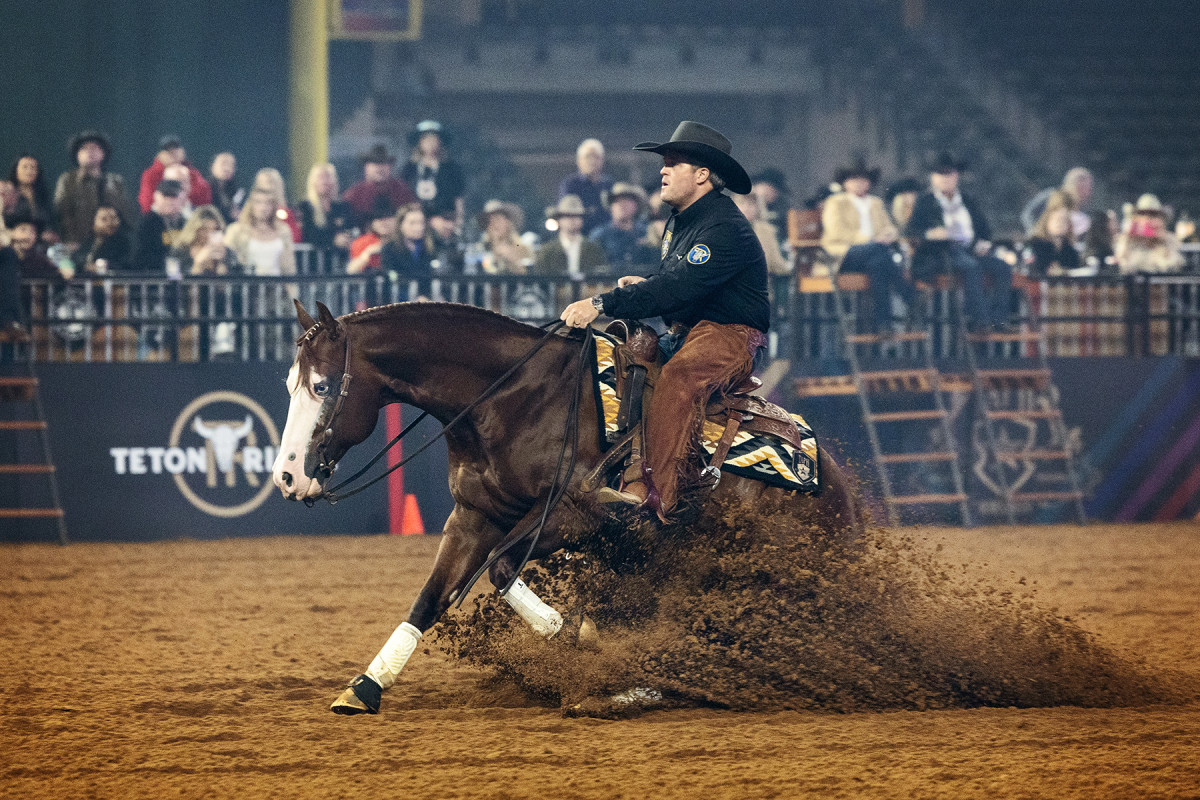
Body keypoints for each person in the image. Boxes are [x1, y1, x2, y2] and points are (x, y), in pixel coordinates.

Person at [560, 121, 769, 520]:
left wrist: (602, 302)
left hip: (730, 337)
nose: (662, 170)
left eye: (674, 163)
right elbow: (679, 285)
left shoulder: (722, 227)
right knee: (623, 361)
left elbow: (676, 290)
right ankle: (619, 475)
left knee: (677, 379)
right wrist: (652, 285)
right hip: (689, 332)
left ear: (703, 175)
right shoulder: (681, 222)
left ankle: (656, 501)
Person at [907, 153, 1012, 331]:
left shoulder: (968, 200)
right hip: (941, 253)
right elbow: (912, 231)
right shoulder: (925, 202)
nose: (945, 178)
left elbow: (984, 230)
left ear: (956, 176)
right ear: (933, 178)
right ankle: (981, 321)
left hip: (969, 250)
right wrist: (931, 234)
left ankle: (999, 320)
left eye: (949, 174)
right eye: (940, 174)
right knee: (971, 267)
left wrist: (984, 243)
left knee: (1002, 267)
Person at [821, 161, 917, 332]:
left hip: (874, 254)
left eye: (863, 179)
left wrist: (889, 234)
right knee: (878, 250)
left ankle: (884, 324)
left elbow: (888, 226)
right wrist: (871, 239)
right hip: (844, 255)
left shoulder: (875, 203)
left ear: (869, 182)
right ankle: (909, 296)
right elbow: (837, 232)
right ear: (845, 182)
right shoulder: (836, 202)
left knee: (879, 264)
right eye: (854, 179)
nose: (859, 183)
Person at [54, 131, 138, 251]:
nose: (90, 152)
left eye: (95, 148)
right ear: (76, 154)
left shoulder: (115, 181)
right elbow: (62, 213)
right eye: (84, 148)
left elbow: (127, 215)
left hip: (112, 246)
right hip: (76, 244)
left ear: (103, 153)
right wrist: (70, 241)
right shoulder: (67, 180)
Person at [400, 120, 466, 223]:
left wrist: (458, 222)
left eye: (434, 140)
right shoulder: (409, 169)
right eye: (426, 140)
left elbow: (458, 198)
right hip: (416, 221)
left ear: (440, 142)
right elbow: (402, 196)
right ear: (419, 143)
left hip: (445, 221)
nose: (430, 144)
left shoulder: (451, 169)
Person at [224, 188, 296, 276]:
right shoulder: (236, 230)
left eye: (268, 203)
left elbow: (289, 266)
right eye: (258, 202)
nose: (263, 207)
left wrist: (292, 288)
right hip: (246, 285)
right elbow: (226, 259)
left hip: (277, 285)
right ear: (250, 205)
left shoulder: (283, 230)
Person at [533, 195, 609, 279]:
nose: (572, 219)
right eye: (567, 216)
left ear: (582, 219)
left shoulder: (594, 249)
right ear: (559, 219)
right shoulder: (547, 252)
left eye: (576, 215)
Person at [343, 143, 417, 227]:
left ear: (390, 167)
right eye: (375, 163)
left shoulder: (401, 189)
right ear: (366, 167)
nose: (379, 168)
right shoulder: (354, 194)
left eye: (383, 163)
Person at [590, 182, 656, 271]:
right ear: (611, 207)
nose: (622, 205)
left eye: (627, 200)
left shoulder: (647, 232)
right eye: (616, 201)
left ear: (636, 205)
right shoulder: (599, 236)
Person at [138, 134, 212, 213]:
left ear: (183, 151)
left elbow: (205, 200)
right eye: (168, 151)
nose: (173, 153)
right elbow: (146, 203)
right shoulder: (150, 175)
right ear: (159, 155)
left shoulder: (193, 173)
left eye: (176, 149)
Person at [1114, 194, 1183, 274]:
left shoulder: (1169, 239)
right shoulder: (1127, 239)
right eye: (1142, 213)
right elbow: (1120, 263)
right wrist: (1129, 238)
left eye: (1153, 214)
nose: (1147, 218)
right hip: (1134, 283)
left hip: (1158, 283)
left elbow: (1174, 265)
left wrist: (1163, 242)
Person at [296, 163, 354, 256]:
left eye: (328, 177)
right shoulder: (305, 207)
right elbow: (307, 233)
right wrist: (333, 240)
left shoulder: (343, 206)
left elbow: (350, 226)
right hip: (313, 262)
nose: (324, 181)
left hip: (339, 262)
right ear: (313, 181)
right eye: (320, 177)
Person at [1021, 167, 1094, 239]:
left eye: (1089, 187)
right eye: (1083, 187)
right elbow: (1027, 214)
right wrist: (1038, 232)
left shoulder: (1083, 209)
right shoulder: (1051, 196)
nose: (1087, 192)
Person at [559, 138, 613, 236]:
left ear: (602, 160)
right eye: (588, 157)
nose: (592, 161)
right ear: (579, 160)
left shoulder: (609, 184)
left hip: (605, 236)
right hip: (578, 235)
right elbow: (565, 210)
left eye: (596, 157)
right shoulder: (570, 184)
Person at [381, 203, 435, 300]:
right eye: (412, 223)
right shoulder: (390, 249)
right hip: (398, 304)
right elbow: (390, 277)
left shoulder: (431, 248)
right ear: (400, 225)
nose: (418, 227)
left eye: (421, 223)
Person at [133, 179, 186, 273]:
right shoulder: (146, 223)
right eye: (165, 196)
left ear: (182, 199)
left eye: (174, 196)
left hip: (181, 275)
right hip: (152, 277)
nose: (169, 201)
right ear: (156, 197)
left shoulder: (186, 224)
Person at [1023, 194, 1081, 277]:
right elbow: (1029, 269)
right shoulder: (1032, 245)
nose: (1059, 224)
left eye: (1063, 220)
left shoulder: (1070, 250)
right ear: (1047, 221)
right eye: (1056, 219)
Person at [732, 191, 788, 276]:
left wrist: (795, 266)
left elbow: (776, 264)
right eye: (742, 203)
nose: (746, 208)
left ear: (757, 208)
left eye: (751, 204)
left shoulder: (767, 231)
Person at [472, 200, 533, 274]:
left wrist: (509, 257)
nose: (494, 224)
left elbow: (526, 275)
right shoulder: (480, 248)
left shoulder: (521, 247)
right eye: (489, 221)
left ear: (508, 222)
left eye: (498, 219)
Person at [171, 205, 233, 275]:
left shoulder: (226, 252)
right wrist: (198, 263)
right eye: (205, 229)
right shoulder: (178, 251)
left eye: (215, 229)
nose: (209, 234)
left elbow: (235, 281)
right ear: (195, 230)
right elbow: (173, 279)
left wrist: (221, 264)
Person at [72, 205, 133, 275]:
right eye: (104, 219)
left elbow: (125, 264)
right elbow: (76, 259)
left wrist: (104, 266)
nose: (110, 223)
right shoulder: (88, 241)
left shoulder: (125, 243)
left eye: (113, 218)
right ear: (94, 222)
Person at [7, 154, 54, 240]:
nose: (29, 171)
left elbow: (48, 221)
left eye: (33, 168)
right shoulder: (7, 194)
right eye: (25, 167)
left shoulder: (42, 196)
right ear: (16, 170)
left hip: (40, 244)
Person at [346, 197, 397, 274]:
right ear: (372, 223)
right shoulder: (362, 242)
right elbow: (351, 271)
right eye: (379, 219)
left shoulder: (402, 240)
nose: (383, 223)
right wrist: (367, 253)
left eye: (388, 217)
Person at [249, 168, 301, 242]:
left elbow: (294, 236)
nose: (266, 186)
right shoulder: (250, 211)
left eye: (270, 182)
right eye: (261, 182)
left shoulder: (285, 213)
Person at [751, 168, 790, 245]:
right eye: (774, 190)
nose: (776, 194)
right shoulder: (747, 202)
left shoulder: (779, 204)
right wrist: (760, 199)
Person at [427, 206, 464, 274]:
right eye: (446, 220)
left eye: (453, 220)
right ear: (433, 220)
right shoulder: (426, 242)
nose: (450, 225)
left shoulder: (458, 242)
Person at [209, 152, 242, 223]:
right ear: (212, 166)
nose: (227, 168)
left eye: (231, 165)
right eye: (223, 163)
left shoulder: (236, 193)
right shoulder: (204, 190)